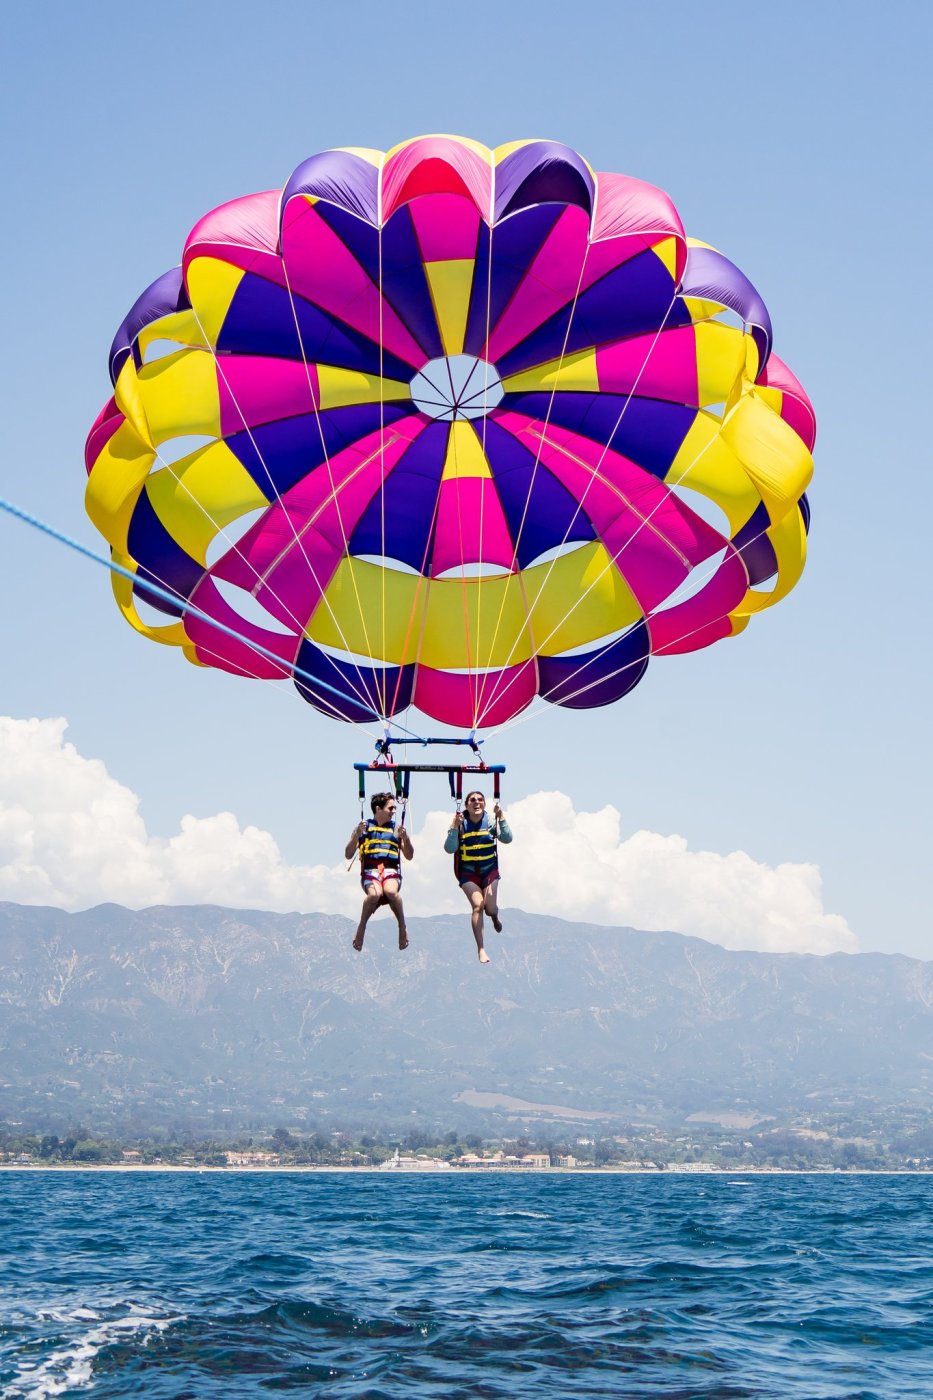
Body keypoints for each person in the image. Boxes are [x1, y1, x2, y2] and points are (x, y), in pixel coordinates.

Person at [444, 790, 512, 963]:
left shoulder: (490, 822)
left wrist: (501, 817)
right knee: (477, 906)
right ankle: (481, 949)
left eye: (480, 799)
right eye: (472, 800)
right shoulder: (460, 824)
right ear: (466, 805)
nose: (477, 802)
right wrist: (453, 826)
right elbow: (450, 849)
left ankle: (495, 916)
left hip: (489, 871)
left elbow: (507, 838)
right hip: (469, 874)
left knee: (489, 909)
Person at [346, 792, 414, 952]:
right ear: (378, 809)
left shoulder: (397, 829)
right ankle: (361, 928)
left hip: (391, 870)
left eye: (395, 808)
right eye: (391, 808)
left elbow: (409, 856)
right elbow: (348, 854)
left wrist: (407, 838)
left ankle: (402, 927)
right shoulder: (363, 827)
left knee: (391, 892)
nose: (393, 811)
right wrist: (356, 835)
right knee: (374, 895)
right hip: (370, 871)